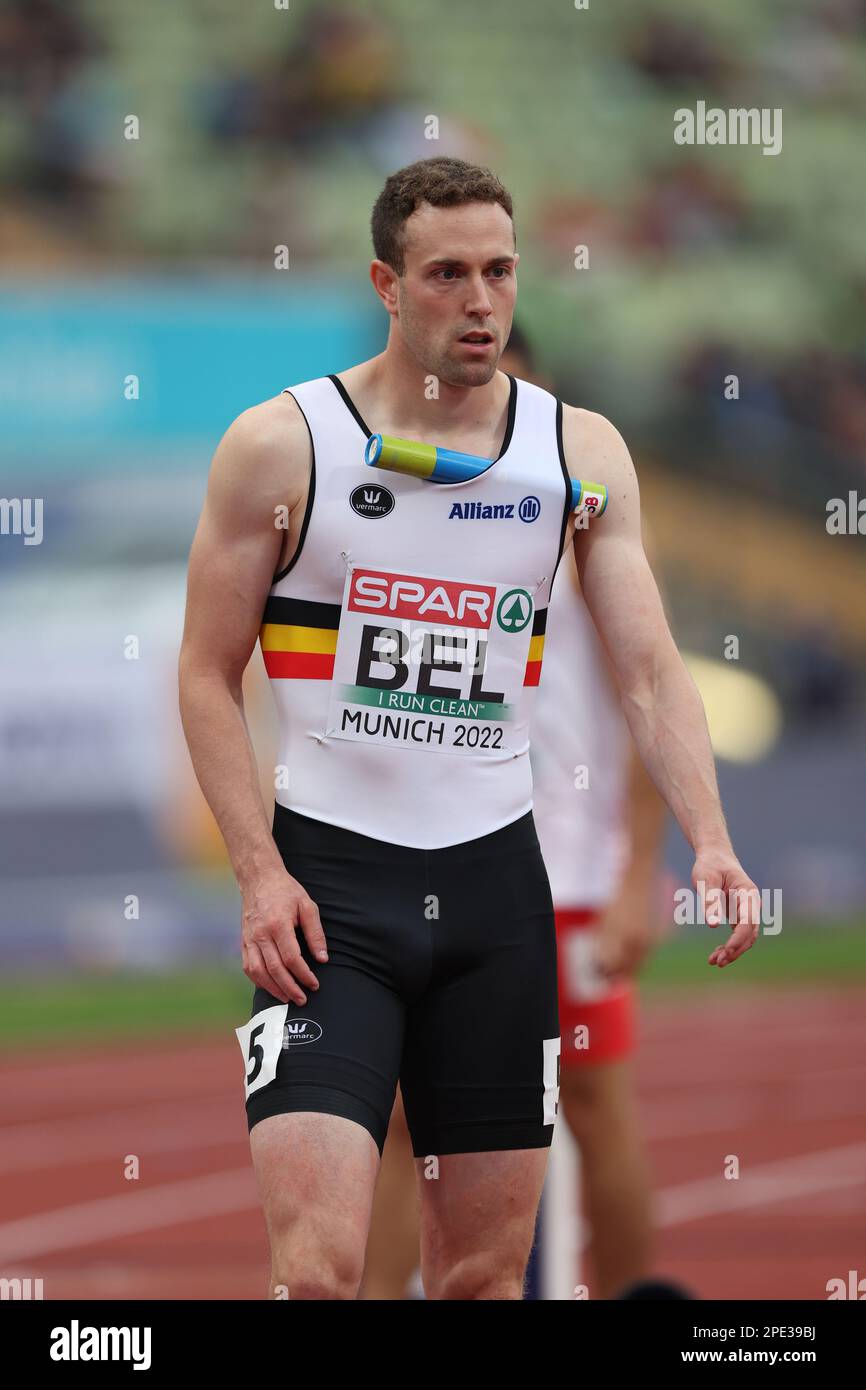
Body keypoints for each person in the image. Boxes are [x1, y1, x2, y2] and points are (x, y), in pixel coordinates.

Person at [178, 156, 760, 1302]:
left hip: (497, 889)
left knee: (486, 1277)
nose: (481, 299)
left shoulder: (577, 456)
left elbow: (646, 671)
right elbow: (203, 671)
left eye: (498, 270)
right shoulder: (282, 446)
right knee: (318, 1268)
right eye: (447, 273)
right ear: (387, 286)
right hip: (330, 895)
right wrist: (256, 871)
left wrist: (710, 838)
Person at [360, 324, 666, 1301]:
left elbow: (651, 694)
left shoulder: (580, 518)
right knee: (406, 1118)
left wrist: (633, 876)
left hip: (565, 875)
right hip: (424, 866)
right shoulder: (394, 510)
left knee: (590, 1104)